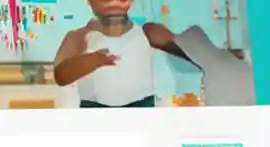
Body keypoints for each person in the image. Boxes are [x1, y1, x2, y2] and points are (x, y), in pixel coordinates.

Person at [53, 0, 191, 109]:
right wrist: (93, 61)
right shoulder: (79, 37)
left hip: (142, 113)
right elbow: (61, 75)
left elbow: (194, 53)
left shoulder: (148, 33)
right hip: (95, 116)